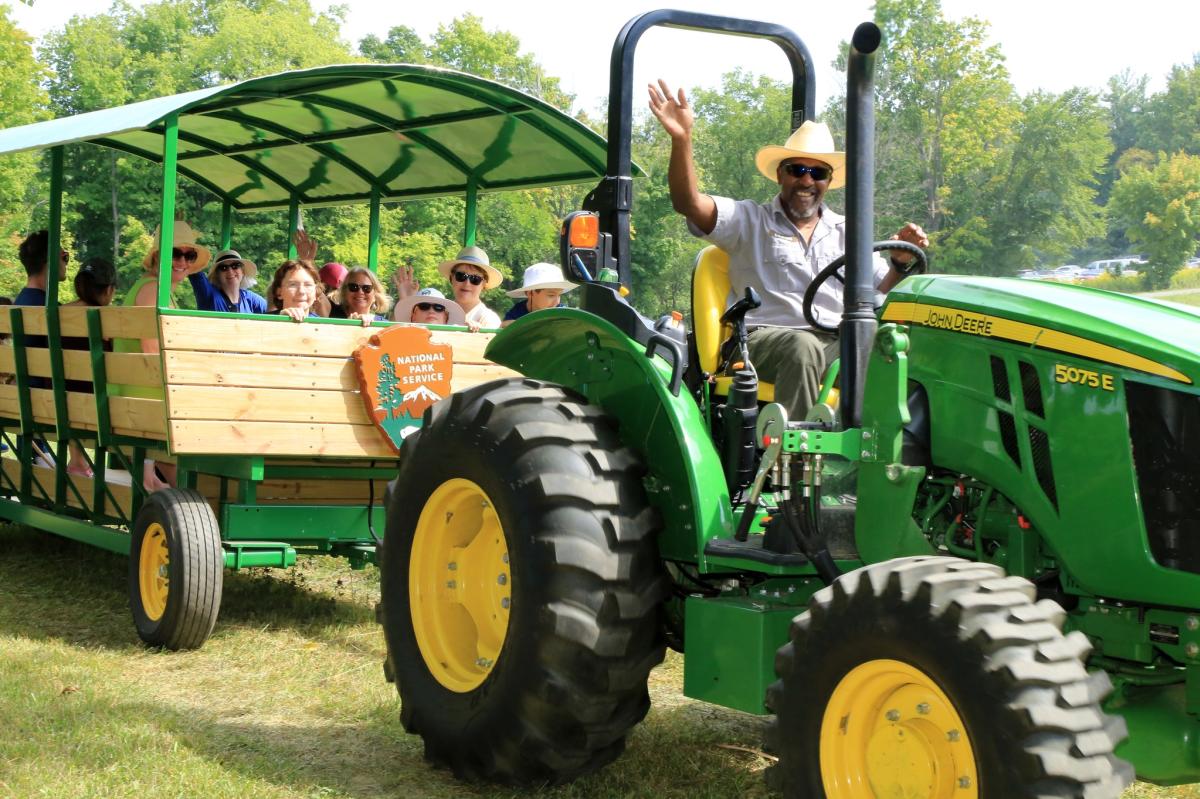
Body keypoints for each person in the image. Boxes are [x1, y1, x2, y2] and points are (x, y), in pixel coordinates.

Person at [648, 79, 929, 419]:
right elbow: (689, 203)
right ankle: (795, 462)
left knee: (895, 348)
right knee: (803, 347)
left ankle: (886, 456)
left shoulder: (848, 232)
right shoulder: (749, 221)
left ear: (828, 180)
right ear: (781, 174)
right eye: (797, 170)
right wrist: (682, 139)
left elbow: (878, 295)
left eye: (818, 172)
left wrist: (899, 265)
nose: (807, 180)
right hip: (760, 341)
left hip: (832, 343)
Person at [113, 220, 210, 491]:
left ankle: (197, 507)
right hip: (145, 399)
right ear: (157, 257)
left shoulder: (156, 289)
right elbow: (151, 352)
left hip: (145, 395)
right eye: (174, 253)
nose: (182, 261)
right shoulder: (152, 290)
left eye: (188, 255)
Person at [62, 257, 117, 476]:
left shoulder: (57, 312)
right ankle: (147, 474)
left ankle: (77, 460)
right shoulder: (104, 319)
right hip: (94, 402)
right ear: (109, 290)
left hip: (56, 397)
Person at [392, 246, 504, 329]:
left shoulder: (488, 319)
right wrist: (406, 303)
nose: (467, 283)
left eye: (475, 279)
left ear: (484, 284)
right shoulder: (438, 309)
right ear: (452, 278)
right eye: (461, 276)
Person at [188, 248, 267, 313]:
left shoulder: (250, 298)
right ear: (217, 275)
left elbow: (273, 311)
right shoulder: (209, 295)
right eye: (223, 268)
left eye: (235, 266)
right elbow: (195, 271)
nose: (230, 271)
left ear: (242, 272)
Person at [501, 262, 576, 327]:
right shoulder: (518, 310)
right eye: (551, 295)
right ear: (530, 293)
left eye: (559, 295)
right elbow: (504, 326)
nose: (557, 302)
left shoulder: (561, 311)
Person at [392, 287, 467, 326]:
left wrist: (472, 328)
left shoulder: (455, 339)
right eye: (424, 306)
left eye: (438, 307)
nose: (431, 311)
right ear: (413, 316)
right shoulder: (403, 339)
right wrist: (404, 298)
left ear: (445, 317)